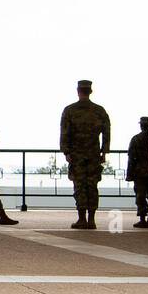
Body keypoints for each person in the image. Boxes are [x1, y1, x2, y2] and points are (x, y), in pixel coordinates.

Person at [59, 79, 111, 229]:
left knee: (80, 186)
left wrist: (66, 151)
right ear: (90, 91)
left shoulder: (69, 110)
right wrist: (104, 151)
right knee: (92, 186)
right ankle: (92, 219)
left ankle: (82, 219)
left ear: (78, 91)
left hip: (76, 154)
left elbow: (64, 132)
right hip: (94, 153)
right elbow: (107, 132)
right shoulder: (99, 111)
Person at [125, 116, 148, 228]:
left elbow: (131, 158)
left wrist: (129, 174)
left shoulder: (136, 139)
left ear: (141, 125)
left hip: (140, 173)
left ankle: (143, 218)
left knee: (140, 196)